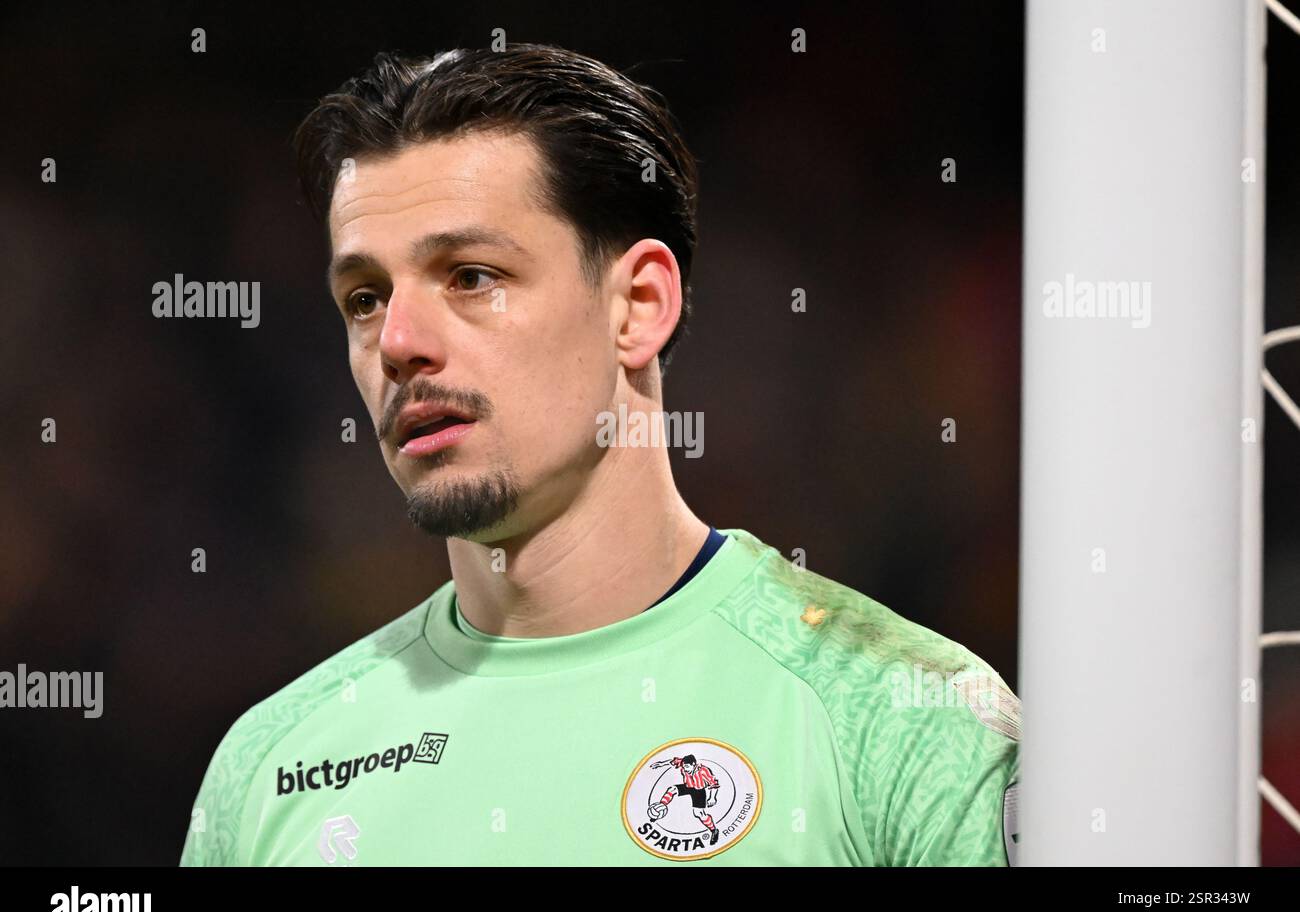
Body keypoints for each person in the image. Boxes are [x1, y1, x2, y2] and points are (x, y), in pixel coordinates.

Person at [180, 43, 1020, 866]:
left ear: (639, 306)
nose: (397, 342)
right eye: (365, 298)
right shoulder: (270, 772)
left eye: (471, 275)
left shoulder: (903, 721)